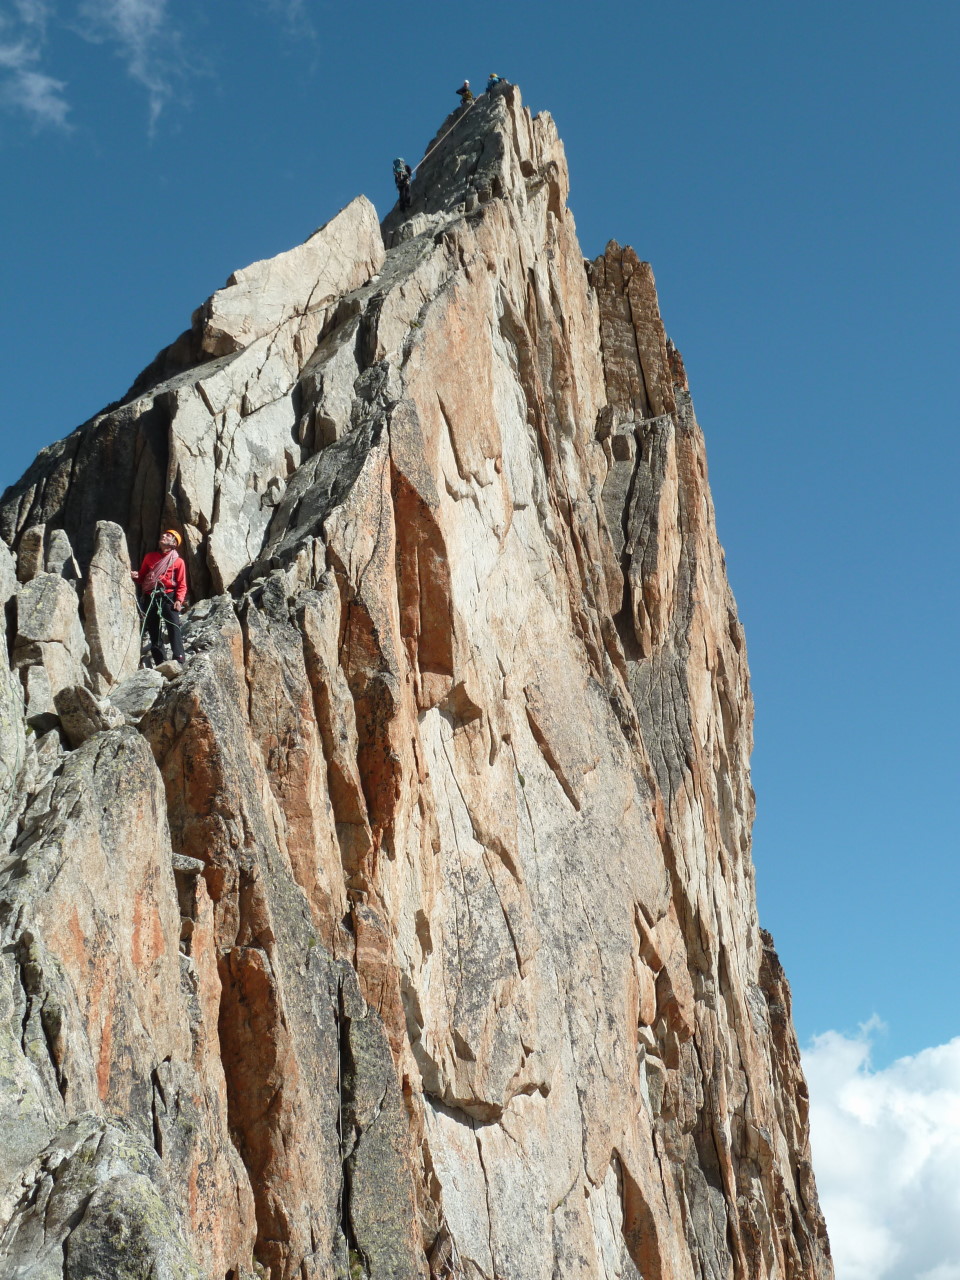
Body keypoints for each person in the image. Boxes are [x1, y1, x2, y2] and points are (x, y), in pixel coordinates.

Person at [132, 528, 187, 666]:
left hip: (168, 595)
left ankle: (179, 658)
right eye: (164, 534)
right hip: (151, 595)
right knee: (153, 628)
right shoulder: (150, 557)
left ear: (174, 543)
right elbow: (143, 577)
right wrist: (135, 576)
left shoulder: (178, 562)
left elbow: (182, 584)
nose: (164, 536)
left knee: (173, 626)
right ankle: (160, 660)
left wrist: (179, 600)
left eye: (168, 536)